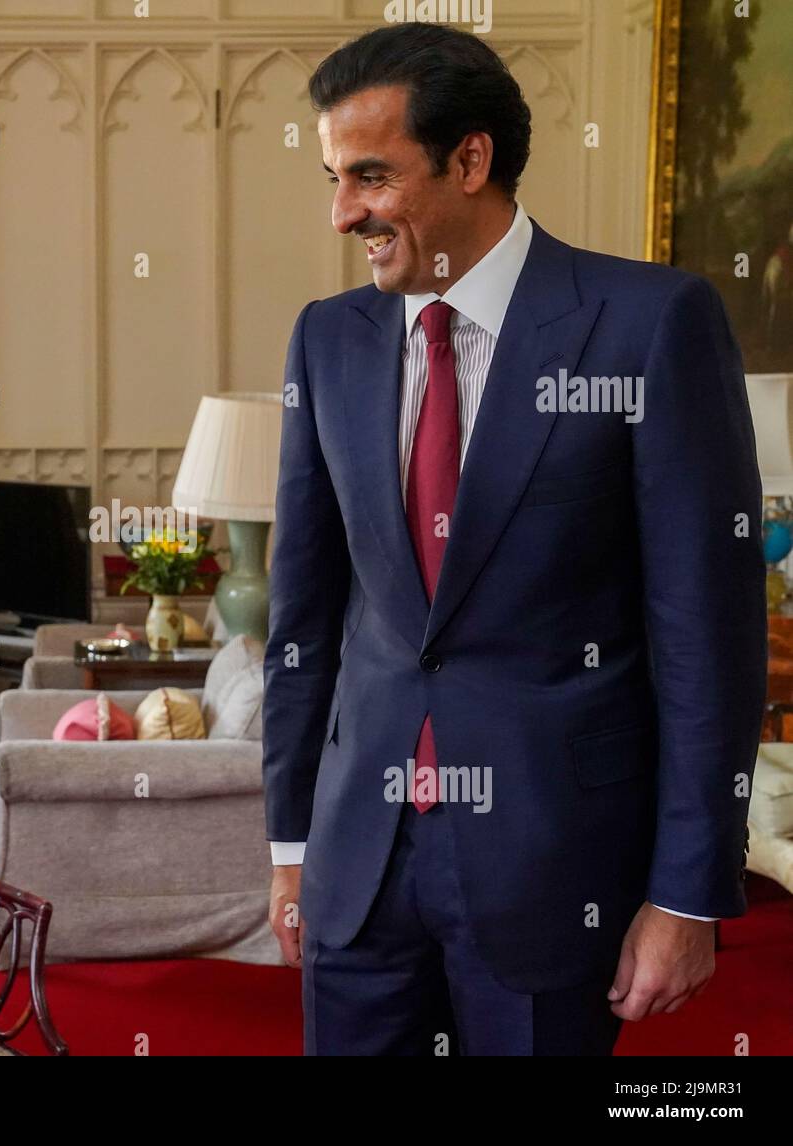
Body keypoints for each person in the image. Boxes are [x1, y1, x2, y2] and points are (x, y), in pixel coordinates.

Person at [262, 24, 765, 1055]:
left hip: (555, 864)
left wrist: (687, 893)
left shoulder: (648, 323)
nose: (341, 211)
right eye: (332, 177)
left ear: (470, 159)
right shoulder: (328, 339)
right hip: (358, 863)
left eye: (369, 175)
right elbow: (302, 616)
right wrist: (291, 843)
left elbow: (707, 639)